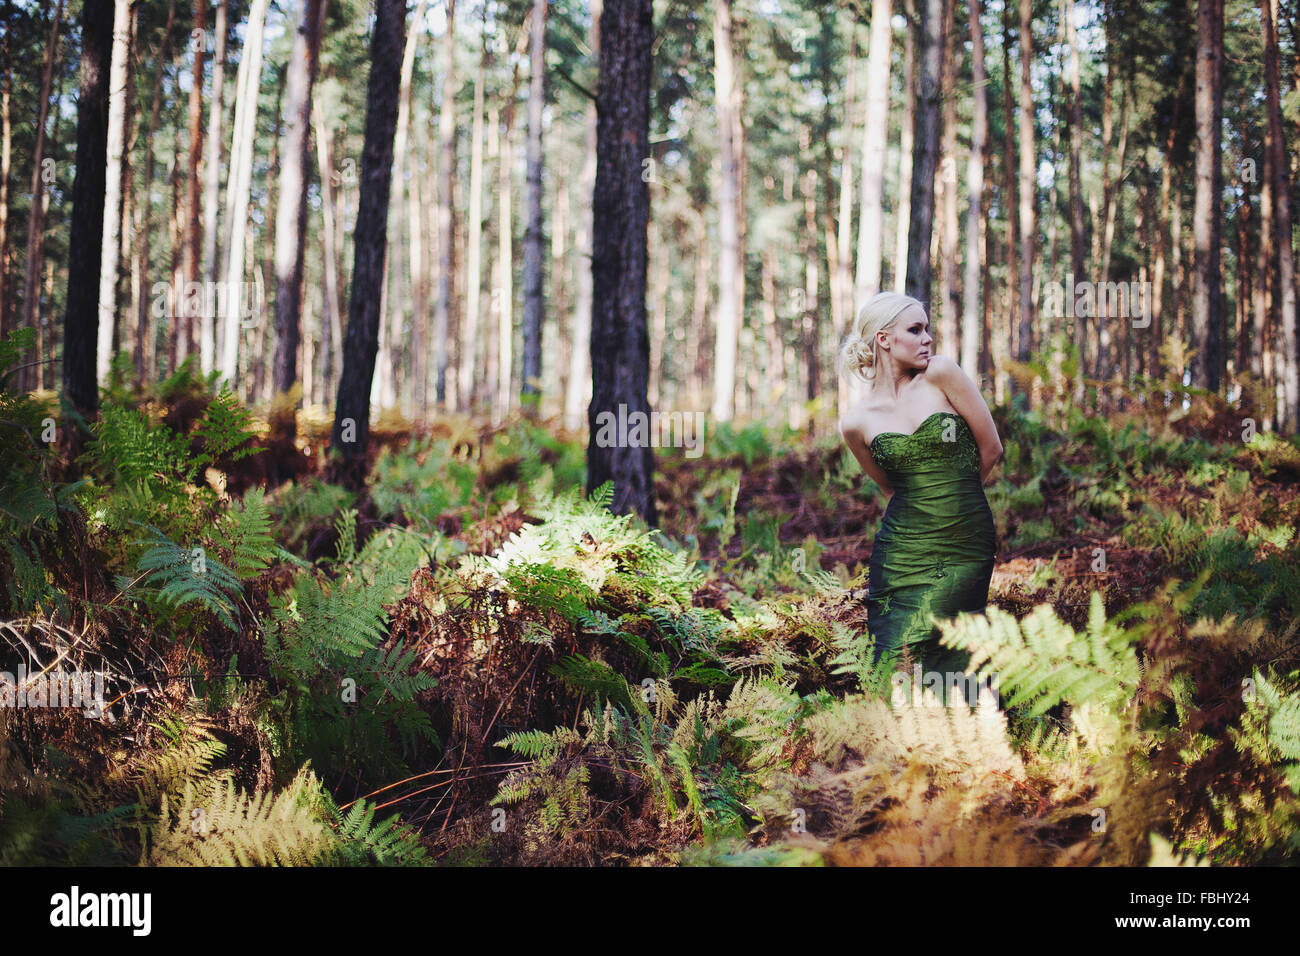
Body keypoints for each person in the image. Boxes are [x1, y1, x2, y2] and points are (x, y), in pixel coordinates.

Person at [837, 291, 1003, 689]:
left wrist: (954, 502)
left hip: (966, 540)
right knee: (897, 649)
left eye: (928, 328)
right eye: (916, 329)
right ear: (884, 339)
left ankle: (973, 738)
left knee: (954, 638)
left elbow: (992, 449)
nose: (928, 338)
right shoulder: (856, 422)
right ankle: (903, 743)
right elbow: (893, 489)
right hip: (901, 552)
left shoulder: (942, 376)